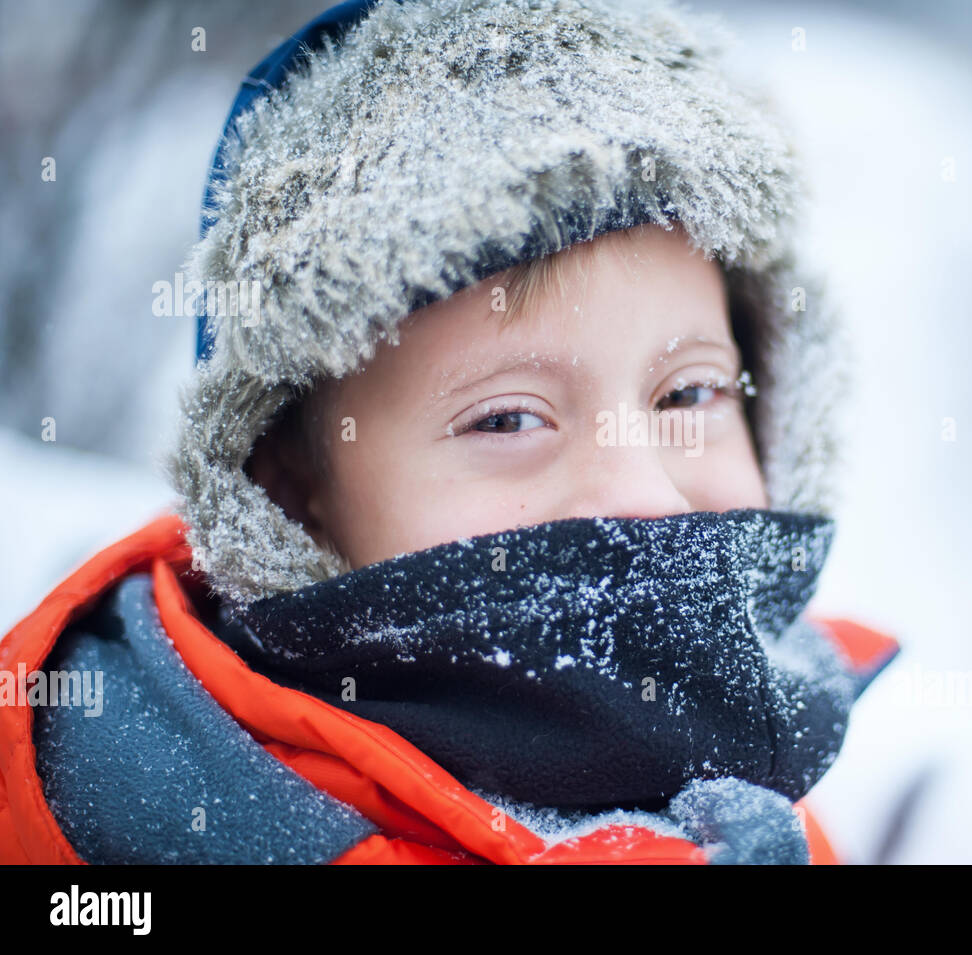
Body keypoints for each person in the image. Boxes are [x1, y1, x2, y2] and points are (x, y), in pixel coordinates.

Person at [0, 0, 898, 865]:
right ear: (287, 489)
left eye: (687, 394)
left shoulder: (759, 792)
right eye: (509, 417)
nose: (644, 495)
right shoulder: (133, 824)